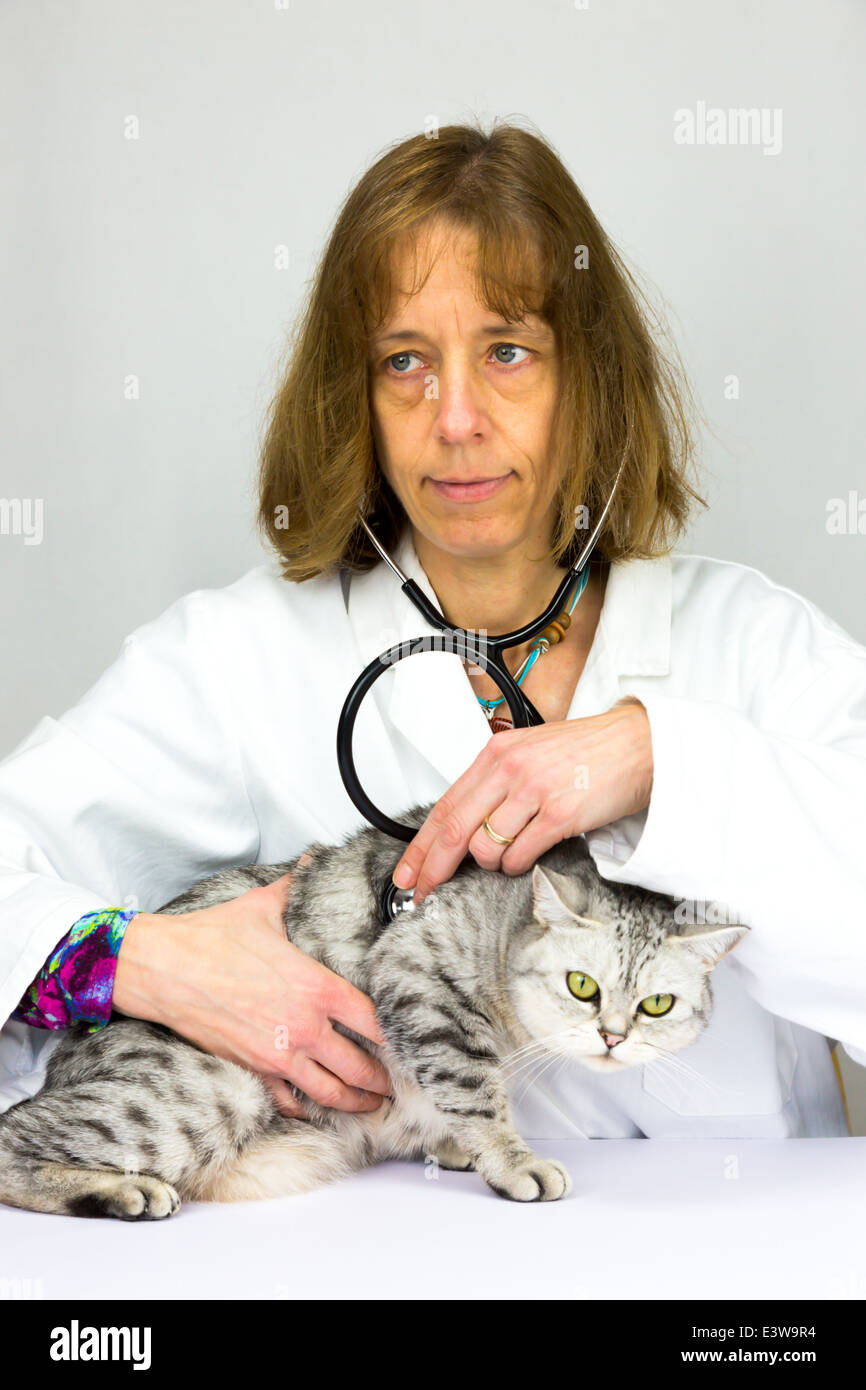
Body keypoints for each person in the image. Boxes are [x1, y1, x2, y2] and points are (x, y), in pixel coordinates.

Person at [1, 121, 864, 1142]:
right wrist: (141, 961)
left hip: (743, 1279)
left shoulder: (756, 644)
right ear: (353, 396)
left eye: (507, 352)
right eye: (404, 361)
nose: (454, 416)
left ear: (585, 378)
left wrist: (658, 760)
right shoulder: (240, 657)